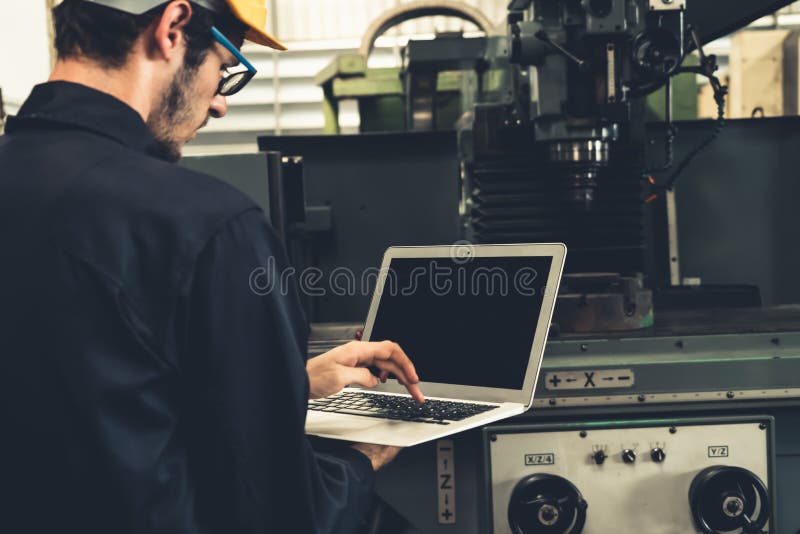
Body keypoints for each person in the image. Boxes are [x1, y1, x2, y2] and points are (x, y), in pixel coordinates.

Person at [0, 1, 425, 533]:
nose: (220, 104)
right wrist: (359, 460)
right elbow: (281, 515)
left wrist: (289, 384)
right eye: (225, 69)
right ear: (173, 28)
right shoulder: (207, 226)